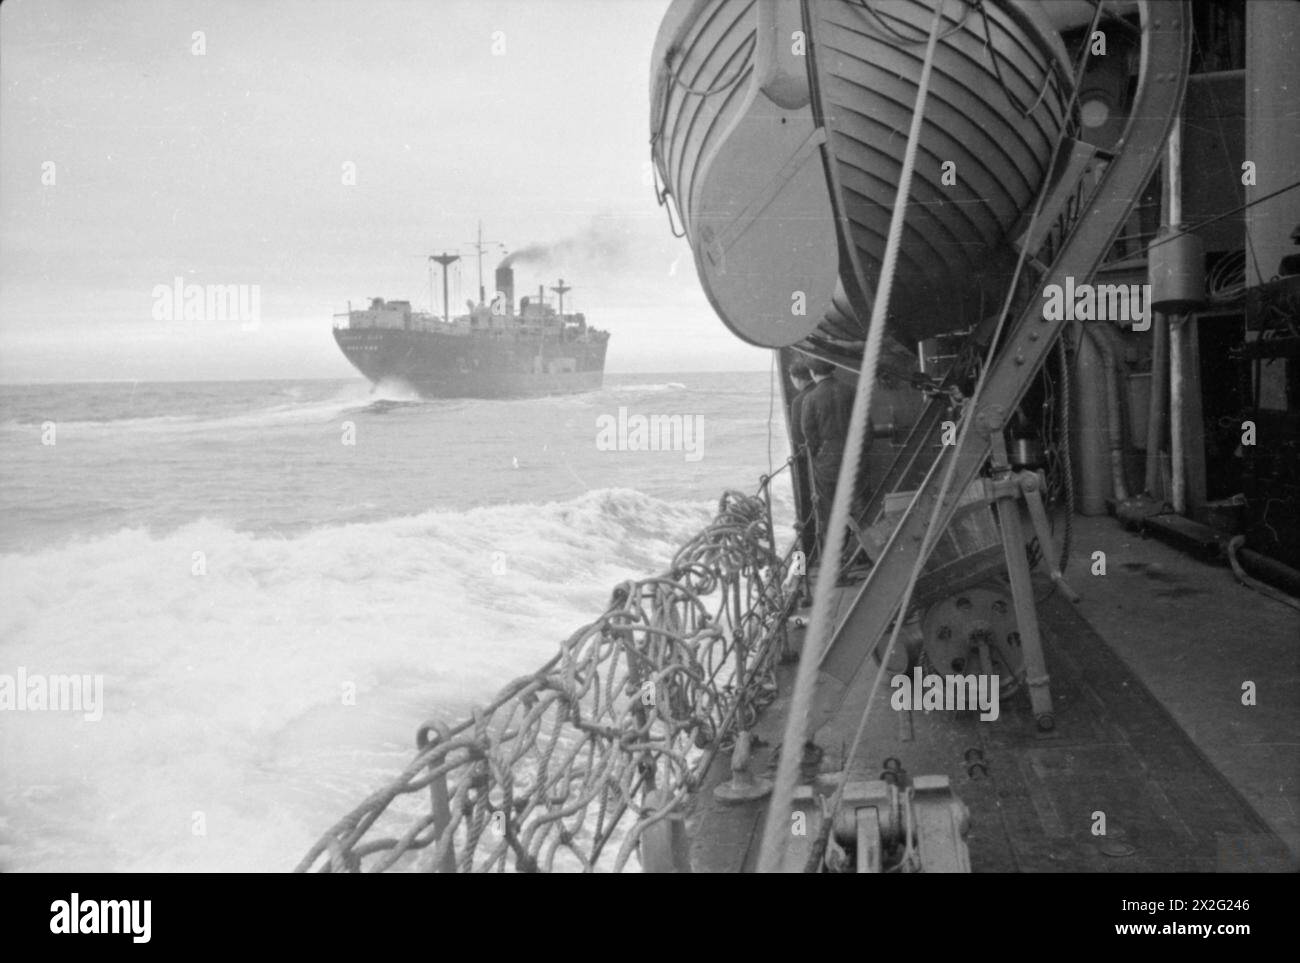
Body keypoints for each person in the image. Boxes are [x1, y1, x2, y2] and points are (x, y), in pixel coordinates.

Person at [800, 360, 862, 561]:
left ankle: (836, 557)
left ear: (812, 372)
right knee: (860, 504)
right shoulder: (852, 390)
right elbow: (866, 427)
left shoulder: (810, 398)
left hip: (828, 461)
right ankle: (863, 551)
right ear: (833, 368)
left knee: (831, 508)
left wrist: (819, 452)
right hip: (856, 456)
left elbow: (809, 434)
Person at [787, 363, 817, 563]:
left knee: (810, 511)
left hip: (811, 465)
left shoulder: (800, 401)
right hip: (838, 458)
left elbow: (797, 437)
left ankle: (804, 566)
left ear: (797, 378)